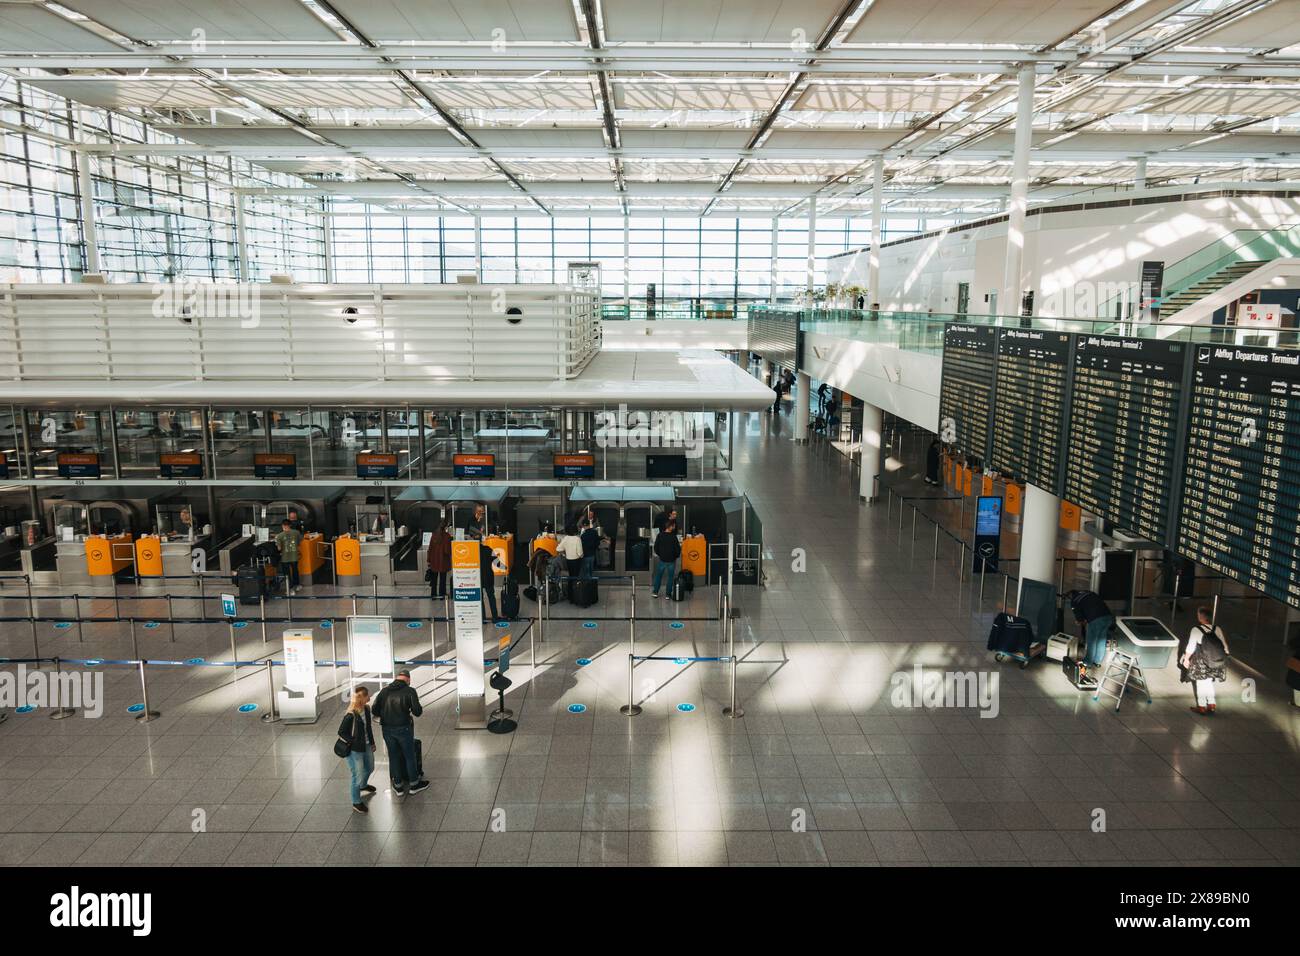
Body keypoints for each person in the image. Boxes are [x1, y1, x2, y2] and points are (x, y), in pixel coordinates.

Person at [372, 670, 428, 794]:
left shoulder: (384, 691)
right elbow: (417, 712)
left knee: (393, 756)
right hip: (404, 728)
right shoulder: (410, 691)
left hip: (387, 729)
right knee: (409, 756)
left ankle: (398, 786)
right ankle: (414, 784)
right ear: (408, 679)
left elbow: (374, 710)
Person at [1182, 606, 1229, 715]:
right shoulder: (1217, 628)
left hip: (1202, 662)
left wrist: (1186, 659)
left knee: (1201, 683)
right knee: (1208, 682)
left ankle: (1202, 706)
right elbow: (1224, 645)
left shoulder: (1196, 630)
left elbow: (1191, 647)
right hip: (1216, 660)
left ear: (1200, 617)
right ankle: (1212, 704)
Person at [337, 686, 377, 813]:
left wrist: (372, 742)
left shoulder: (366, 709)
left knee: (370, 767)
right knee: (357, 775)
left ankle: (363, 785)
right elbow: (341, 732)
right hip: (355, 750)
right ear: (362, 698)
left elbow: (369, 728)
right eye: (367, 695)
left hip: (366, 745)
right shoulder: (351, 714)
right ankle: (356, 802)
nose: (369, 697)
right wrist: (354, 741)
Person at [1067, 589, 1115, 675]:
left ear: (1070, 596)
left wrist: (1079, 621)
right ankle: (1097, 662)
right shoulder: (1089, 593)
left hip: (1096, 620)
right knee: (1101, 639)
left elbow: (1079, 617)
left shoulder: (1074, 600)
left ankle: (1087, 663)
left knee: (1092, 641)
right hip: (1108, 617)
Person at [651, 520, 681, 598]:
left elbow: (656, 547)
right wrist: (675, 556)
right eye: (673, 526)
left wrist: (660, 555)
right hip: (671, 560)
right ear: (670, 526)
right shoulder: (673, 537)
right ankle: (668, 594)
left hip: (662, 560)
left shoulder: (660, 535)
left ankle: (655, 592)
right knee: (670, 577)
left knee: (658, 576)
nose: (674, 527)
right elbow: (677, 549)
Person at [426, 518, 452, 600]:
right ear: (445, 527)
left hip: (434, 561)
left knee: (434, 579)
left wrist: (429, 560)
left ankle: (433, 595)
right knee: (442, 579)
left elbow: (430, 548)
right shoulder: (447, 536)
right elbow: (447, 551)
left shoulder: (434, 535)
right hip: (443, 562)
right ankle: (442, 595)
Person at [274, 518, 302, 593]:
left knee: (287, 574)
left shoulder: (279, 536)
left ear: (282, 525)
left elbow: (279, 548)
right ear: (290, 525)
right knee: (295, 571)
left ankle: (290, 589)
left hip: (285, 558)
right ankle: (297, 585)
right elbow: (299, 543)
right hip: (294, 556)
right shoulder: (296, 533)